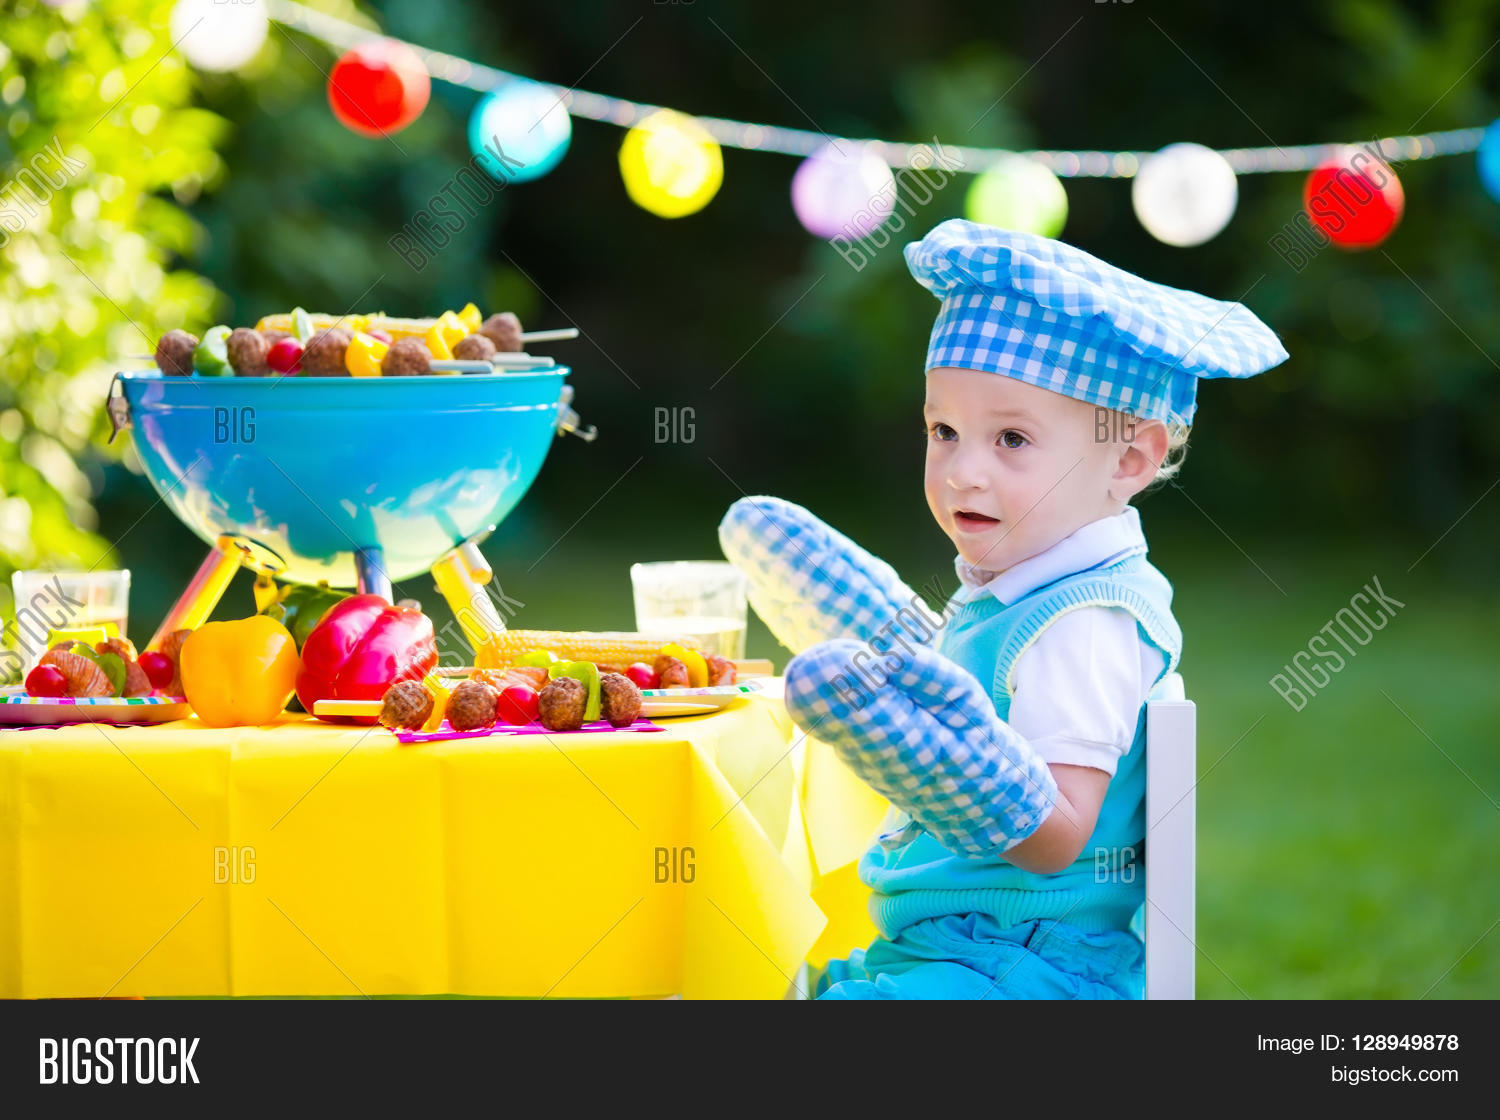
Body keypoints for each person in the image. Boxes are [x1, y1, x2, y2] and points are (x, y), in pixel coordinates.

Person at [718, 219, 1288, 999]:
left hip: (1024, 966)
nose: (962, 471)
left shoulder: (1083, 623)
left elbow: (1058, 834)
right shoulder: (1021, 588)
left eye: (1012, 439)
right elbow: (964, 687)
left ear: (1128, 458)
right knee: (736, 973)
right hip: (948, 950)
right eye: (944, 431)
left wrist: (935, 762)